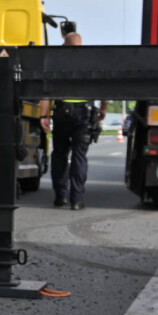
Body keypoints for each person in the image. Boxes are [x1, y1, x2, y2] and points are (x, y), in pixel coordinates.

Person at [47, 23, 101, 209]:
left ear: (65, 45)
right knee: (79, 157)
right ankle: (77, 200)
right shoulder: (91, 62)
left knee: (60, 155)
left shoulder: (57, 62)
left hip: (62, 113)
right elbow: (105, 86)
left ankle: (60, 196)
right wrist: (103, 109)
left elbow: (48, 90)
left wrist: (43, 115)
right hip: (84, 115)